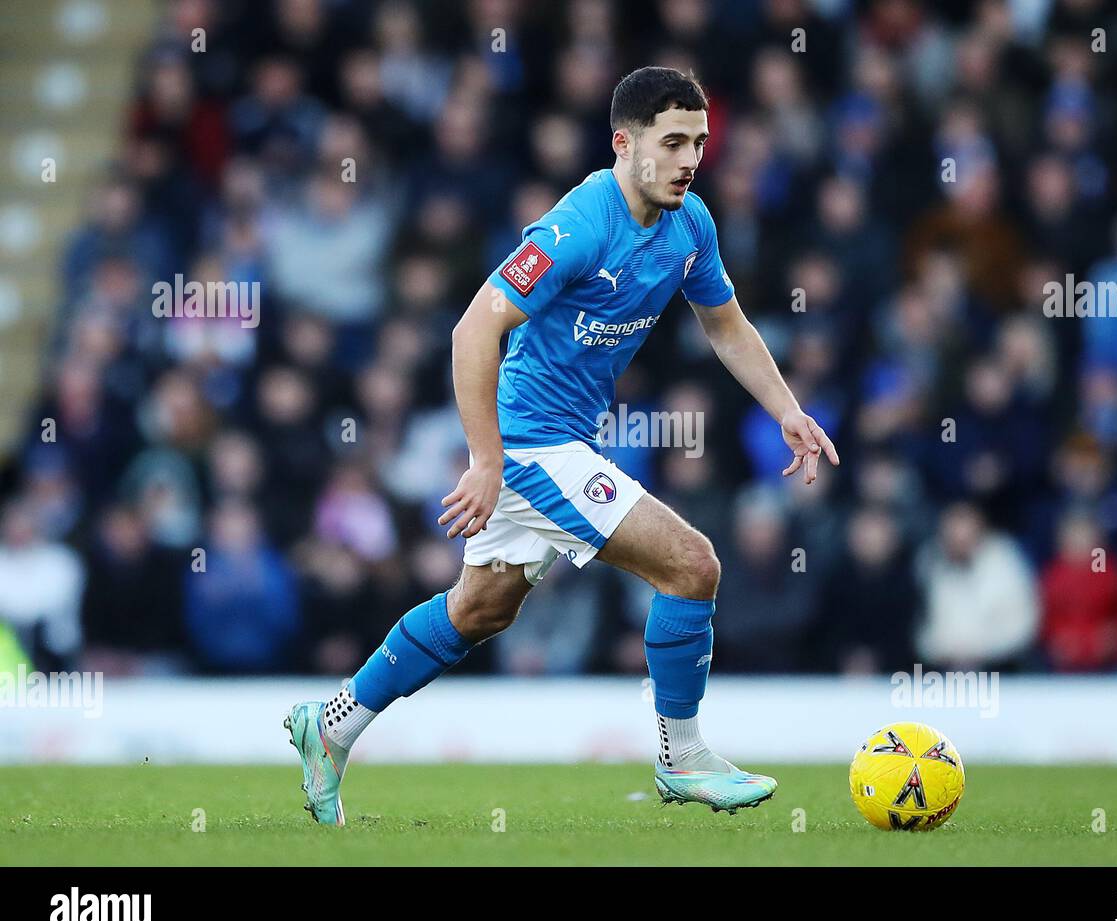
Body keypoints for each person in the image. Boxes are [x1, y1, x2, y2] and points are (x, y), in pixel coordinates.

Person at [286, 67, 838, 825]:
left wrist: (787, 409)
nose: (689, 159)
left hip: (567, 440)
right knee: (692, 564)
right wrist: (485, 459)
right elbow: (473, 328)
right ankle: (683, 756)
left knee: (479, 608)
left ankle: (334, 722)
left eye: (700, 144)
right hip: (530, 445)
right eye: (672, 142)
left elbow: (725, 322)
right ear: (624, 142)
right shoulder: (578, 225)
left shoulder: (691, 226)